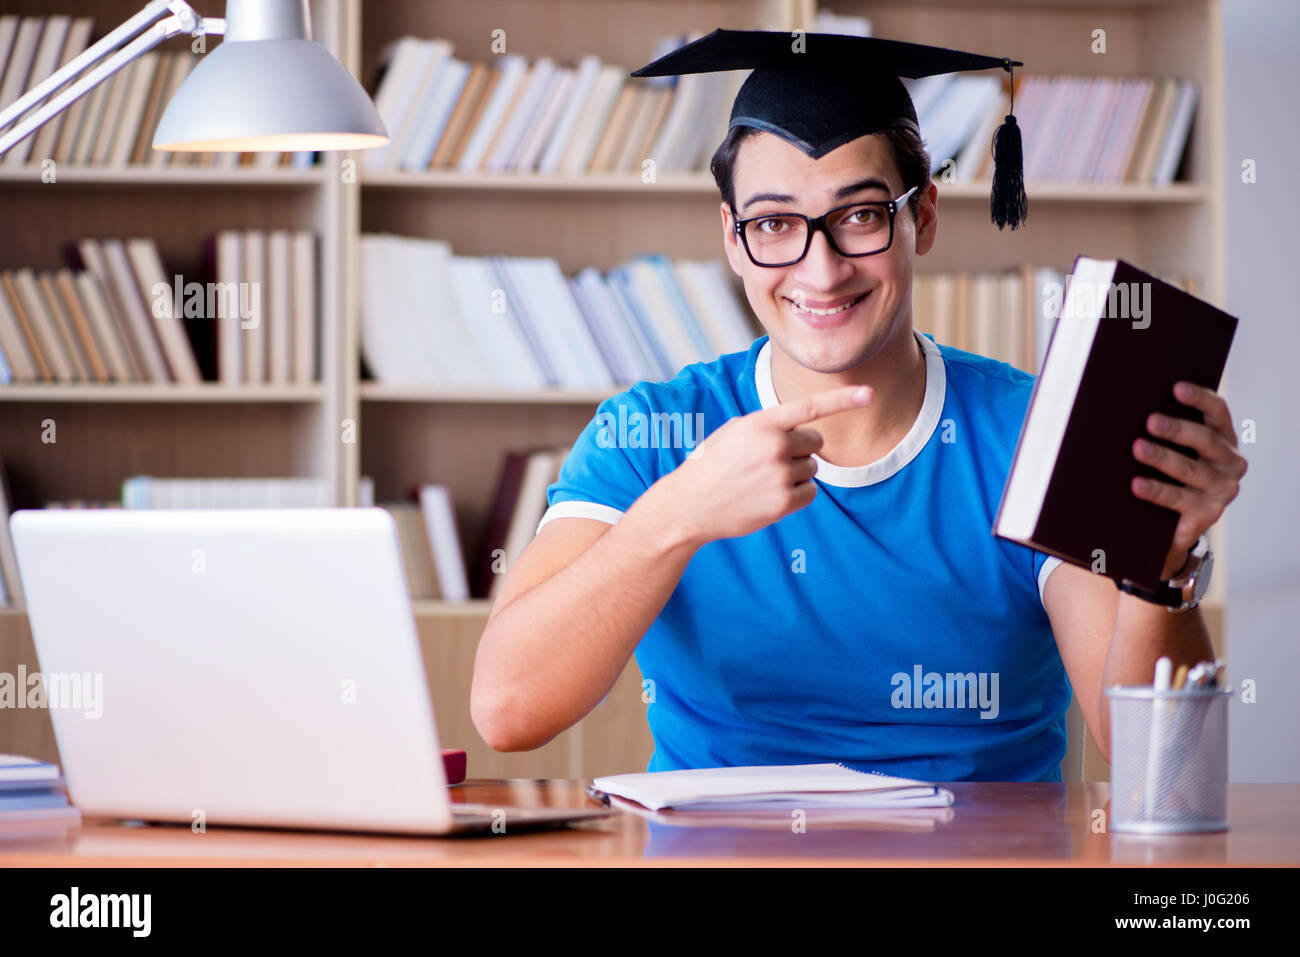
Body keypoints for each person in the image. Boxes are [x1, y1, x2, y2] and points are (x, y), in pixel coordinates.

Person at [470, 30, 1247, 781]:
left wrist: (1163, 568)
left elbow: (1164, 772)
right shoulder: (651, 434)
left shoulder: (1030, 436)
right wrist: (680, 514)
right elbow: (508, 710)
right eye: (774, 224)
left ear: (925, 217)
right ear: (734, 240)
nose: (821, 267)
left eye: (860, 215)